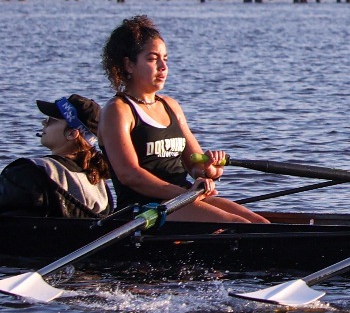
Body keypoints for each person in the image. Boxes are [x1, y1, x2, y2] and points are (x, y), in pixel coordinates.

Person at [98, 15, 266, 224]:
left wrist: (210, 168)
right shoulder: (118, 110)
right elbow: (129, 175)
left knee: (261, 224)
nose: (163, 67)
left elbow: (196, 166)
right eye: (152, 59)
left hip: (183, 198)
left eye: (165, 59)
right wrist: (182, 193)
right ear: (128, 65)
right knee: (239, 225)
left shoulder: (171, 106)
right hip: (144, 208)